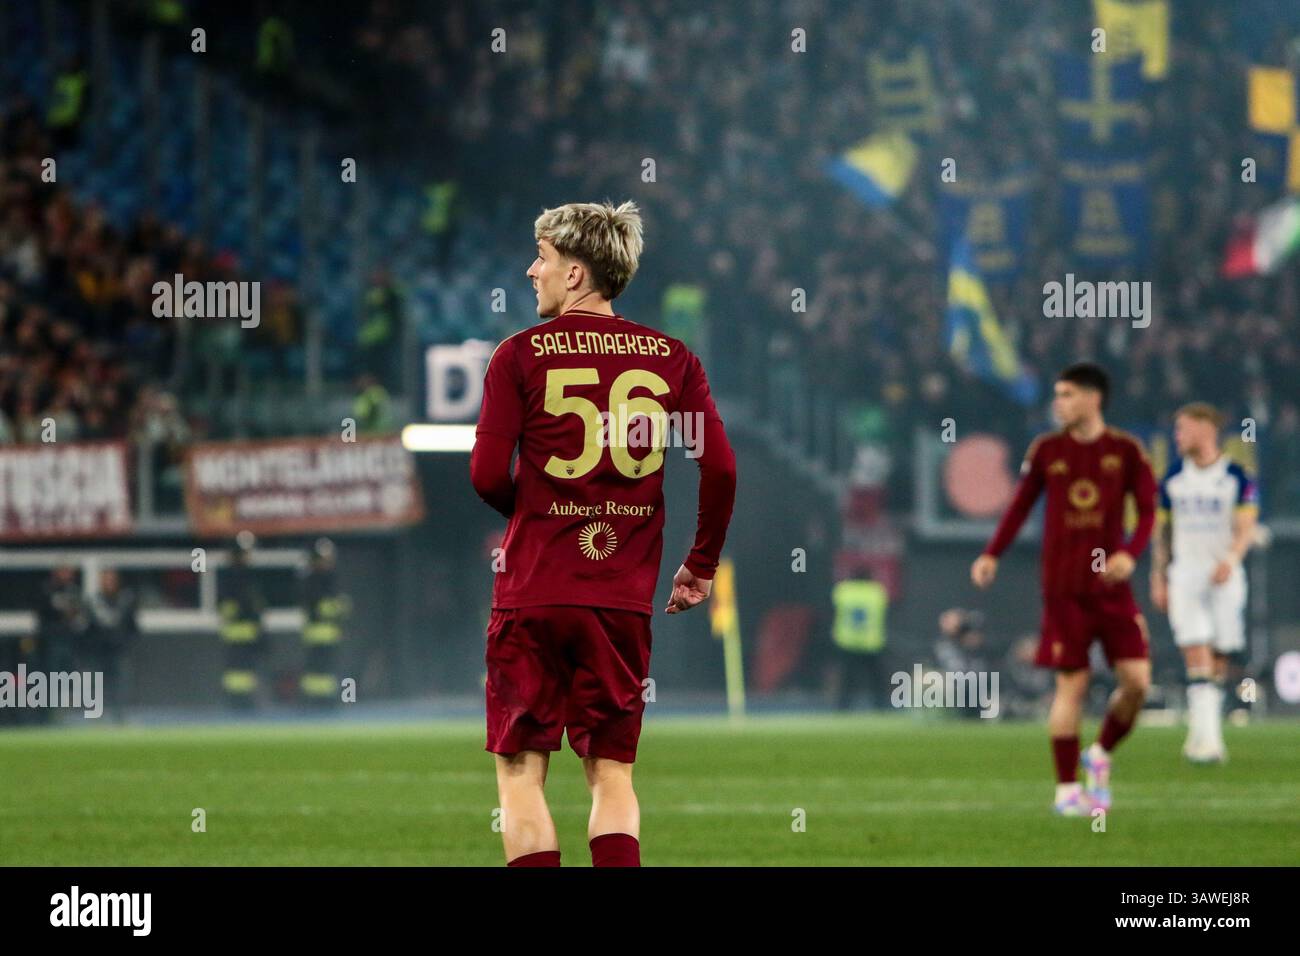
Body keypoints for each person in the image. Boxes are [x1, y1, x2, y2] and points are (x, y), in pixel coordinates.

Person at [470, 200, 737, 867]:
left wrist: (532, 518)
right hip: (618, 603)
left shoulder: (519, 356)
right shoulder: (672, 359)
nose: (532, 271)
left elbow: (484, 475)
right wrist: (700, 564)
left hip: (532, 595)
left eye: (544, 259)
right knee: (611, 774)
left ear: (577, 274)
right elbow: (721, 467)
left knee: (520, 774)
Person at [971, 363, 1157, 816]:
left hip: (1112, 590)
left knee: (1137, 683)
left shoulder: (1126, 451)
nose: (1059, 403)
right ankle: (1067, 791)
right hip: (1064, 590)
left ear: (1095, 398)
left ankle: (1099, 753)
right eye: (1057, 395)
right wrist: (991, 553)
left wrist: (1130, 553)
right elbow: (1019, 505)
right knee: (1071, 685)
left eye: (1068, 394)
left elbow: (1149, 510)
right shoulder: (1047, 450)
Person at [1150, 403, 1258, 764]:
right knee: (1195, 649)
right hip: (1187, 575)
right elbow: (1162, 534)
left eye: (1183, 429)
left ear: (1204, 429)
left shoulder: (1238, 477)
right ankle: (1210, 742)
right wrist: (1159, 575)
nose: (1177, 437)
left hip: (1224, 577)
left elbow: (1245, 527)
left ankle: (1200, 734)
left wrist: (1230, 560)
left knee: (1219, 657)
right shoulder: (1173, 480)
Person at [85, 568, 139, 724]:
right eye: (106, 579)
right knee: (98, 685)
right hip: (99, 651)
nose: (109, 583)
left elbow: (133, 626)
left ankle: (120, 717)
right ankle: (97, 718)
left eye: (111, 579)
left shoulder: (125, 600)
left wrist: (126, 642)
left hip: (119, 650)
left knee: (121, 684)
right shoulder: (94, 601)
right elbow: (88, 628)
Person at [219, 531, 265, 710]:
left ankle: (245, 702)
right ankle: (237, 703)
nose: (249, 556)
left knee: (247, 673)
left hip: (248, 634)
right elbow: (228, 607)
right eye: (246, 552)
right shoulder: (230, 576)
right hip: (237, 635)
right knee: (237, 674)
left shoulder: (248, 576)